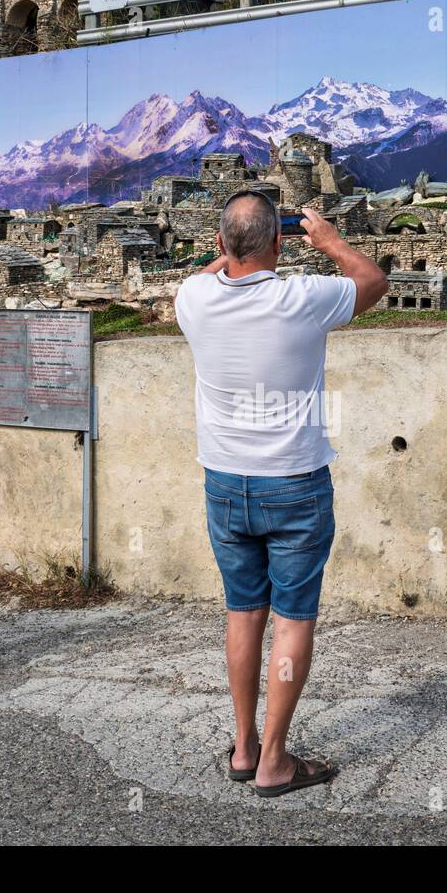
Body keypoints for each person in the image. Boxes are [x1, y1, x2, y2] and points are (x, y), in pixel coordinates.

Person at [175, 192, 388, 798]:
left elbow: (207, 275)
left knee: (243, 613)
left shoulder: (193, 299)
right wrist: (323, 240)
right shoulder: (305, 298)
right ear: (278, 243)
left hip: (224, 482)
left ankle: (243, 747)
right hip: (294, 484)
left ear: (219, 244)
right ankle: (274, 760)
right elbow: (371, 281)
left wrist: (236, 250)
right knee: (293, 620)